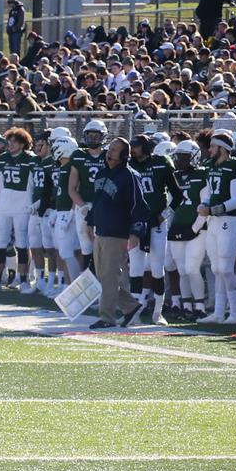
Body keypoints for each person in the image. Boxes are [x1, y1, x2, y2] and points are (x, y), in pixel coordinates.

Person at [74, 135, 147, 328]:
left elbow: (139, 206)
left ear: (124, 154)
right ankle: (131, 307)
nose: (109, 152)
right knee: (104, 275)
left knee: (108, 276)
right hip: (101, 230)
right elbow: (97, 201)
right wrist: (90, 221)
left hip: (118, 232)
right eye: (110, 149)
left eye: (114, 150)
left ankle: (107, 317)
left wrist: (135, 231)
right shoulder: (102, 173)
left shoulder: (130, 176)